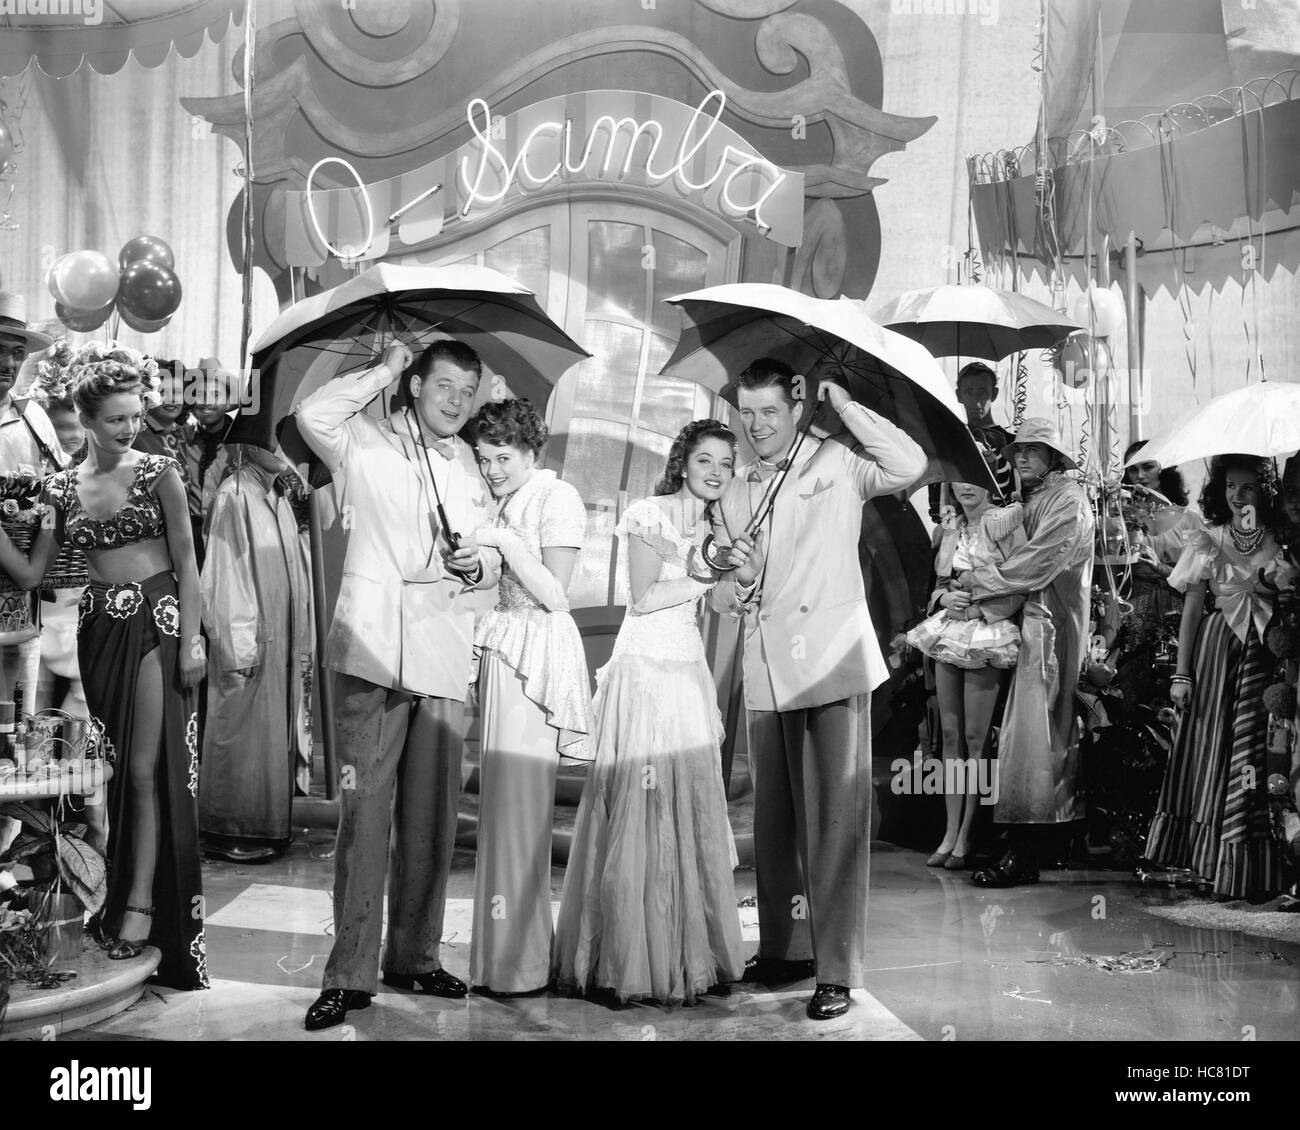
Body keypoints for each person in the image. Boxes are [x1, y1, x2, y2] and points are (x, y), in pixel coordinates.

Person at [709, 357, 927, 1020]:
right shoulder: (738, 487)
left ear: (798, 406)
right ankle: (785, 946)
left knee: (836, 820)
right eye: (748, 414)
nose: (758, 426)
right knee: (774, 821)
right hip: (770, 665)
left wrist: (847, 405)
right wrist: (738, 573)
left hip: (832, 660)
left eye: (770, 412)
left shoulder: (839, 461)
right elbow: (727, 596)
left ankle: (836, 969)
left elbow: (909, 465)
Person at [296, 338, 497, 1032]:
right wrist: (382, 368)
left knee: (432, 822)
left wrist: (478, 564)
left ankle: (415, 955)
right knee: (365, 821)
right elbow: (311, 414)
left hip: (443, 650)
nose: (455, 401)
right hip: (375, 649)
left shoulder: (469, 461)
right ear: (416, 384)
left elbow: (491, 554)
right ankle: (348, 973)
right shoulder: (362, 440)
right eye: (443, 385)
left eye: (467, 391)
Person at [0, 342, 208, 990]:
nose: (131, 424)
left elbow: (188, 560)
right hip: (99, 630)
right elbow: (33, 574)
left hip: (158, 621)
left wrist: (195, 640)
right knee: (116, 774)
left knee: (144, 772)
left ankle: (141, 907)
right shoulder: (62, 486)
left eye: (134, 412)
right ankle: (118, 898)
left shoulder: (160, 472)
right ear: (86, 421)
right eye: (117, 417)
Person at [553, 419, 747, 1004]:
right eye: (706, 460)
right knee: (639, 809)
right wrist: (703, 569)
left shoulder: (720, 524)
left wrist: (736, 570)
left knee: (689, 806)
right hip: (642, 671)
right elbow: (642, 597)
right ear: (683, 461)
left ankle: (691, 952)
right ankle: (627, 955)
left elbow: (719, 601)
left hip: (687, 671)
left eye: (726, 464)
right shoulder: (648, 514)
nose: (716, 473)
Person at [465, 398, 594, 996]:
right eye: (484, 456)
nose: (491, 467)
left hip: (537, 656)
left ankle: (523, 964)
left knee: (522, 810)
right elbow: (498, 578)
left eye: (503, 456)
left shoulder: (554, 495)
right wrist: (473, 559)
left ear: (530, 451)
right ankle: (498, 961)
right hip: (504, 646)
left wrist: (502, 540)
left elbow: (555, 593)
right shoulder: (504, 500)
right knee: (500, 809)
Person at [1145, 455, 1295, 900]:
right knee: (1212, 751)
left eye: (1247, 488)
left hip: (1265, 653)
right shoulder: (1208, 538)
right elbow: (1191, 608)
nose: (1237, 495)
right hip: (1216, 650)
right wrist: (1182, 674)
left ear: (1265, 493)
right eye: (1231, 486)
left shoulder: (1282, 540)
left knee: (1252, 753)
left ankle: (1253, 870)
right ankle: (1212, 864)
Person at [956, 419, 1095, 889]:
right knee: (1022, 737)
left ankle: (1025, 852)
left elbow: (1035, 565)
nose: (1022, 458)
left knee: (1035, 738)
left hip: (1048, 630)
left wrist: (978, 583)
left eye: (1034, 450)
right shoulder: (1033, 498)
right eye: (1018, 450)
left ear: (1054, 456)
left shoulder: (1069, 503)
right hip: (1024, 625)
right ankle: (1023, 846)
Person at [198, 444, 313, 863]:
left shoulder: (275, 494)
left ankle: (264, 827)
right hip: (248, 638)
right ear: (250, 445)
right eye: (274, 442)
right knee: (240, 734)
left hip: (276, 637)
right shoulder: (235, 494)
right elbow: (224, 573)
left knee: (263, 741)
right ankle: (229, 829)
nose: (283, 451)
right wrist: (237, 644)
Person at [907, 483, 1025, 870]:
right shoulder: (950, 527)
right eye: (959, 479)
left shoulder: (1005, 522)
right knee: (951, 735)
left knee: (977, 738)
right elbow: (939, 586)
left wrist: (980, 611)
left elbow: (1023, 582)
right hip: (950, 630)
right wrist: (945, 600)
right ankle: (950, 830)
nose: (965, 487)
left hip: (988, 632)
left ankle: (969, 834)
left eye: (974, 478)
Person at [0, 295, 68, 715]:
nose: (8, 363)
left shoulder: (33, 418)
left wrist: (39, 540)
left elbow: (57, 490)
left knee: (18, 708)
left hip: (22, 597)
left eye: (16, 353)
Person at [928, 362, 1015, 523]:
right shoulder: (948, 444)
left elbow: (1020, 497)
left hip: (1004, 530)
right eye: (969, 392)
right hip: (957, 534)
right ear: (959, 395)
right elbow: (940, 500)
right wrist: (950, 533)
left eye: (982, 392)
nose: (976, 401)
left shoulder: (1012, 444)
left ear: (994, 394)